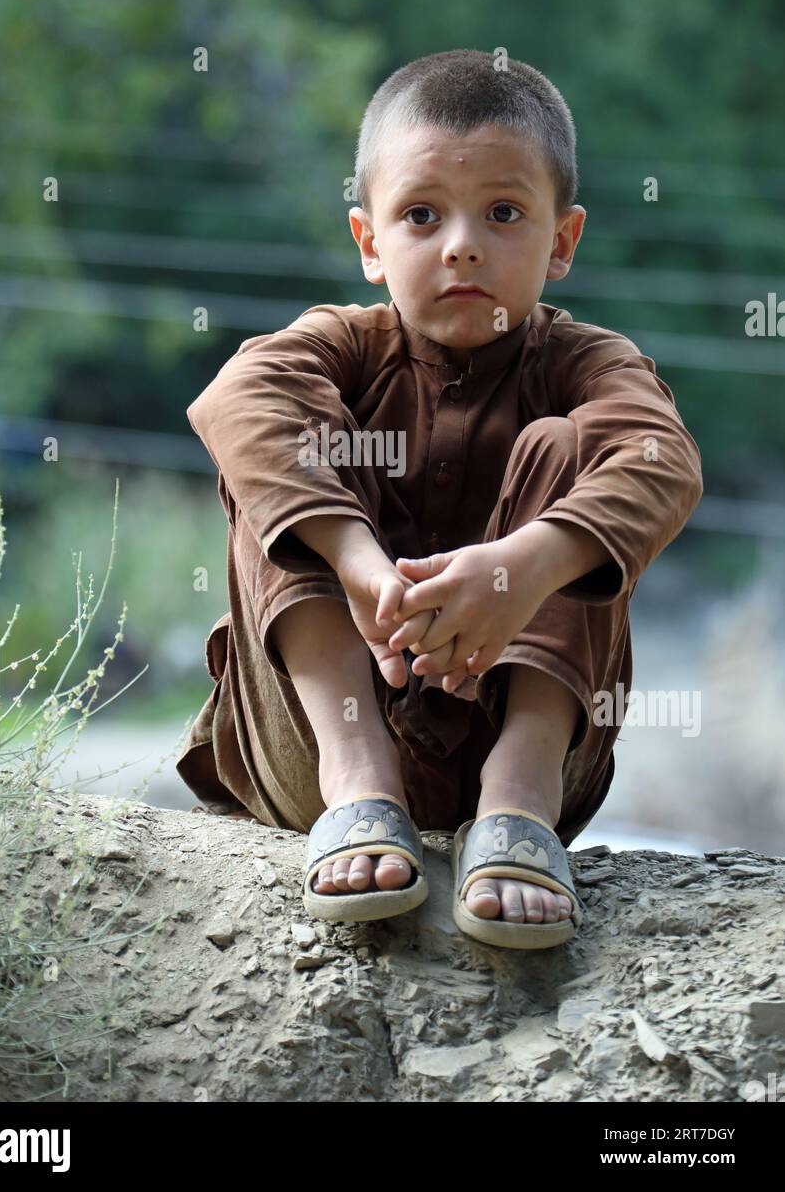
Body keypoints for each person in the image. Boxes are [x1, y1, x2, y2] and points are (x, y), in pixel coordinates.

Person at [177, 49, 703, 949]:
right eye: (421, 215)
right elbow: (238, 398)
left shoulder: (588, 364)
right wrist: (357, 566)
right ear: (370, 245)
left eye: (504, 213)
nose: (461, 244)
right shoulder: (341, 346)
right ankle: (363, 775)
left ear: (563, 240)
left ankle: (519, 788)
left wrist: (520, 571)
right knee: (272, 436)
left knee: (573, 445)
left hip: (528, 764)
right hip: (313, 751)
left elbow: (665, 460)